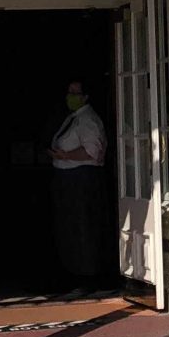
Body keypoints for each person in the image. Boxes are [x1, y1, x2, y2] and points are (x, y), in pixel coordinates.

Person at [48, 79, 110, 296]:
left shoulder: (88, 120)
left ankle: (87, 277)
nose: (70, 96)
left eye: (76, 92)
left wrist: (66, 155)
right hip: (68, 179)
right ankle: (73, 274)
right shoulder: (74, 118)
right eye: (69, 91)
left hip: (81, 181)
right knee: (70, 229)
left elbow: (93, 151)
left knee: (83, 228)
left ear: (86, 97)